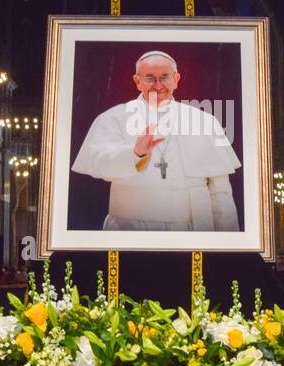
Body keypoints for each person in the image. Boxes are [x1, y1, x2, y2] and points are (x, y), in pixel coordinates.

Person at [71, 50, 241, 231]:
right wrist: (135, 154)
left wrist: (228, 244)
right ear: (137, 81)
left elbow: (221, 191)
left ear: (176, 79)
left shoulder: (204, 121)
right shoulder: (114, 117)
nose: (158, 85)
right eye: (150, 78)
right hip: (129, 230)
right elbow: (98, 164)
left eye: (165, 77)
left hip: (190, 231)